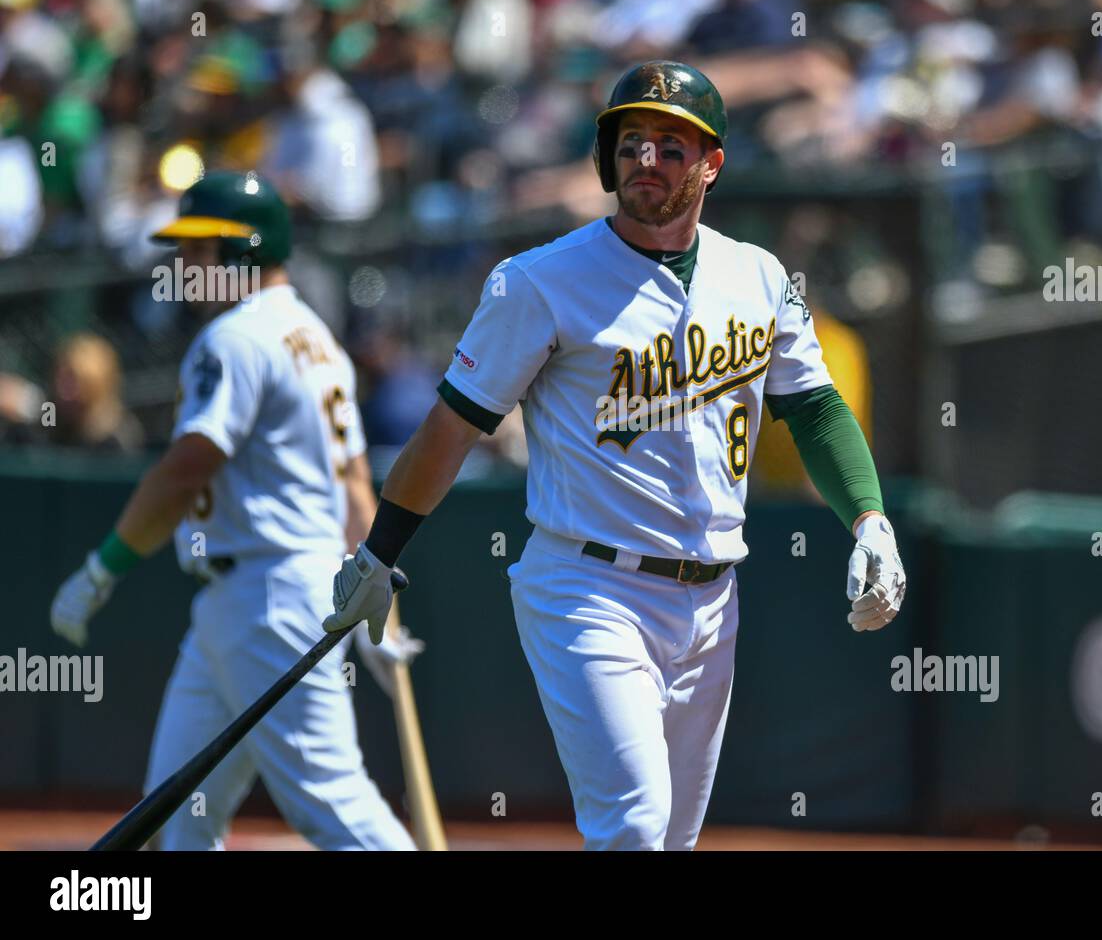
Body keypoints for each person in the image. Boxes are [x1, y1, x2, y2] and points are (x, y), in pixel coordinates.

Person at [323, 61, 907, 851]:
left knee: (670, 841)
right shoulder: (538, 281)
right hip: (588, 586)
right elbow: (450, 429)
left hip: (711, 597)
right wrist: (378, 552)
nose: (647, 161)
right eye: (632, 142)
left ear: (712, 164)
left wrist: (869, 520)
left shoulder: (758, 277)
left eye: (672, 145)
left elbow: (814, 408)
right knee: (633, 824)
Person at [48, 170, 417, 850]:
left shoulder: (235, 338)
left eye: (199, 251)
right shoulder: (317, 337)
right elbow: (356, 483)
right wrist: (378, 587)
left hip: (269, 594)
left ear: (244, 251)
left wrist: (103, 569)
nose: (184, 269)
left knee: (332, 808)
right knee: (181, 820)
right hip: (247, 597)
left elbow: (185, 469)